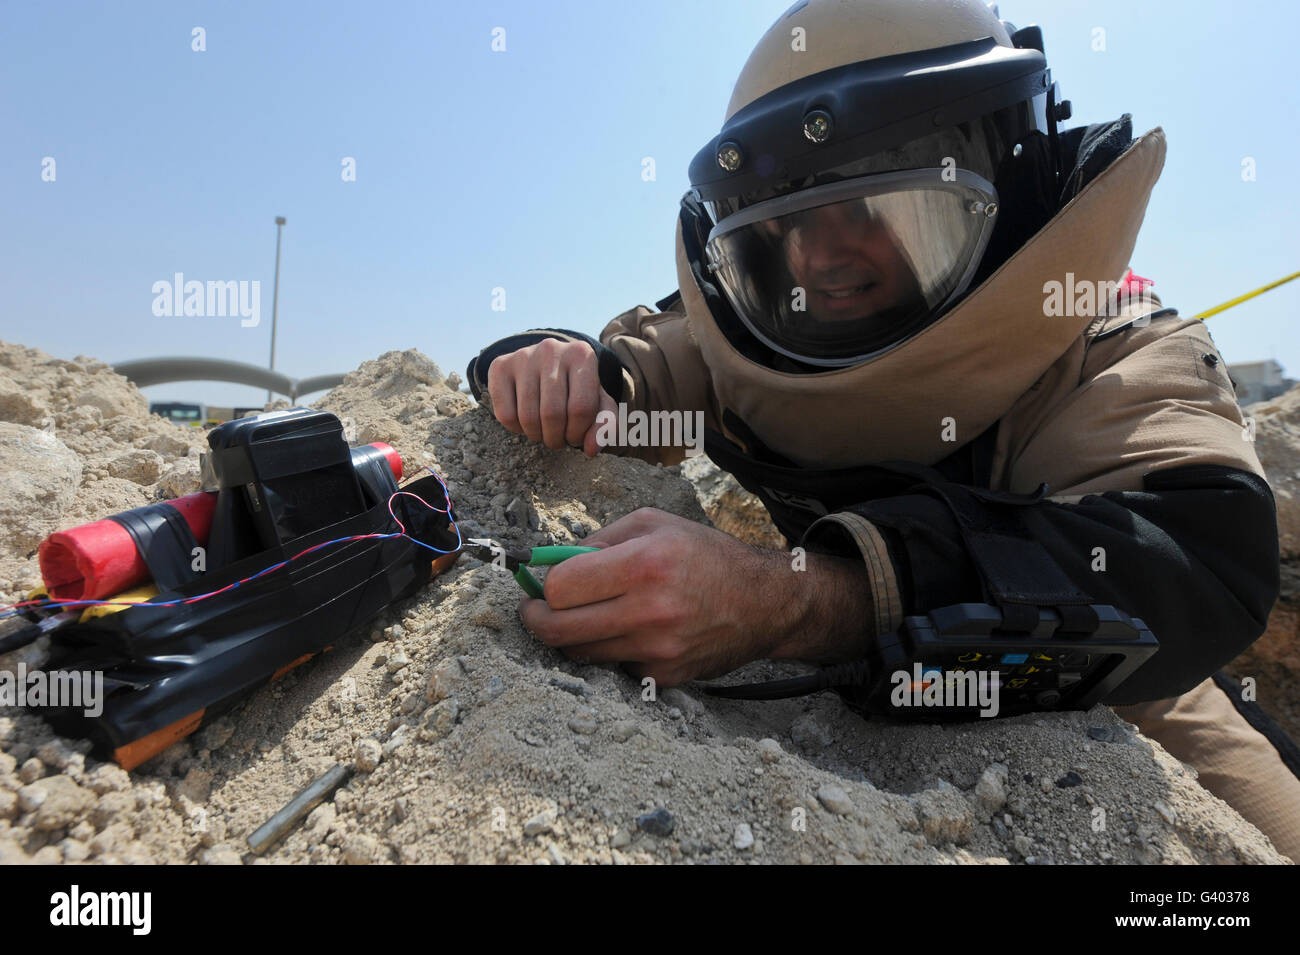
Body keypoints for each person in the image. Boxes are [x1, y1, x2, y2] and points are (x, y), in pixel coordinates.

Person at [466, 0, 1300, 860]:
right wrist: (554, 369)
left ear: (1005, 189)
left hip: (1130, 698)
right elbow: (641, 373)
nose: (824, 255)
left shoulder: (1099, 332)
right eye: (788, 218)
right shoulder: (754, 334)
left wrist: (798, 599)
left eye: (888, 205)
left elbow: (1193, 554)